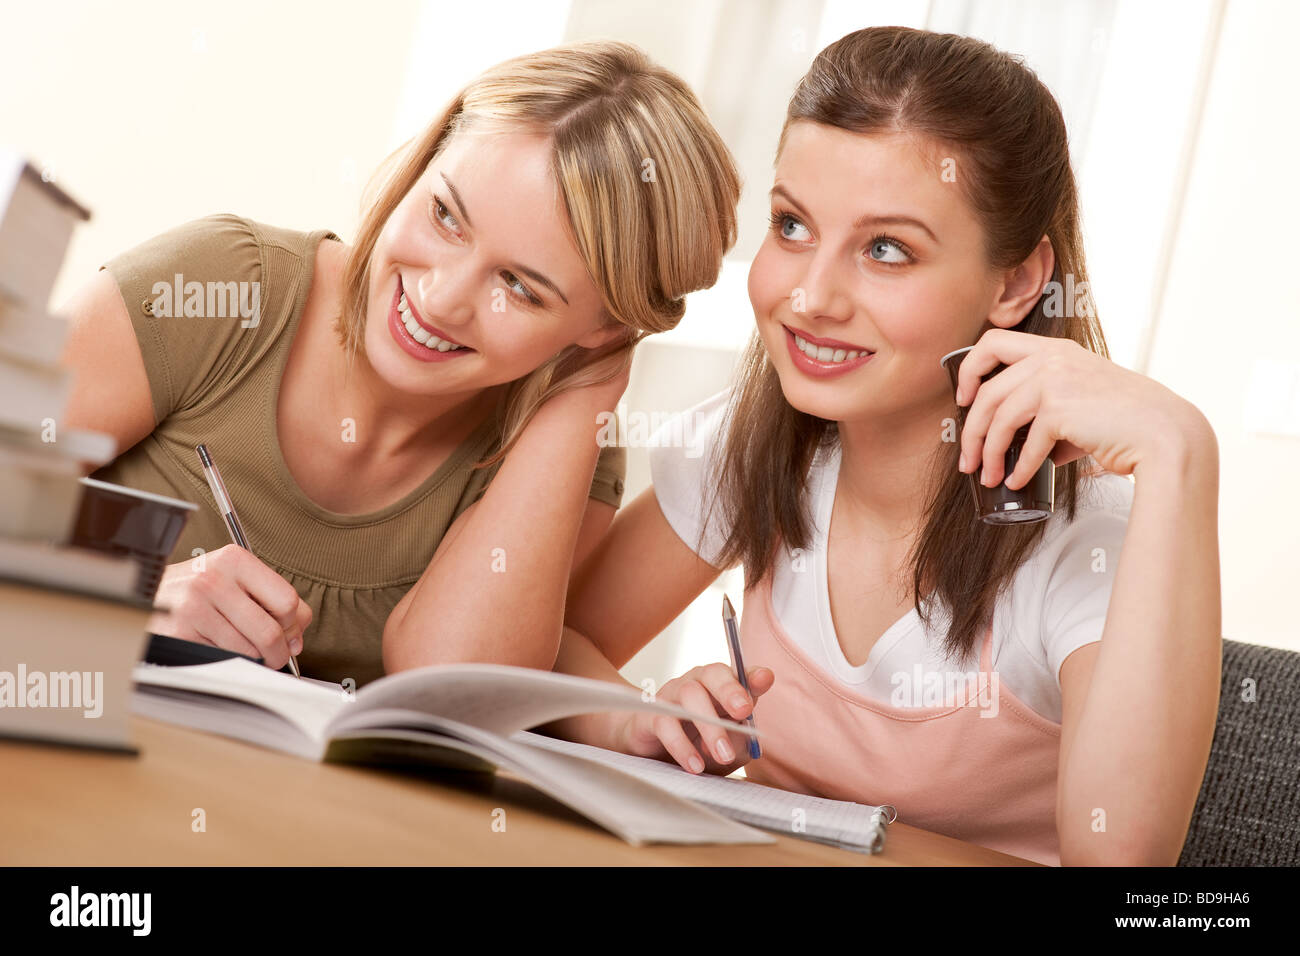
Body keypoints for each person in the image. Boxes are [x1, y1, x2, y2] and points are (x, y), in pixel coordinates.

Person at [547, 26, 1221, 866]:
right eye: (792, 226)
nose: (811, 295)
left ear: (1014, 283)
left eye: (886, 249)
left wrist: (1181, 452)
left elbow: (1126, 869)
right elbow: (548, 643)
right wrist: (637, 716)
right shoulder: (754, 439)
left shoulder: (1094, 538)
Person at [57, 41, 740, 687]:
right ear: (423, 161)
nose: (441, 299)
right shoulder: (221, 289)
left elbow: (456, 691)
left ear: (601, 328)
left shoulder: (557, 455)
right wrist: (126, 589)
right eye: (446, 216)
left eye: (520, 288)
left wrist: (593, 386)